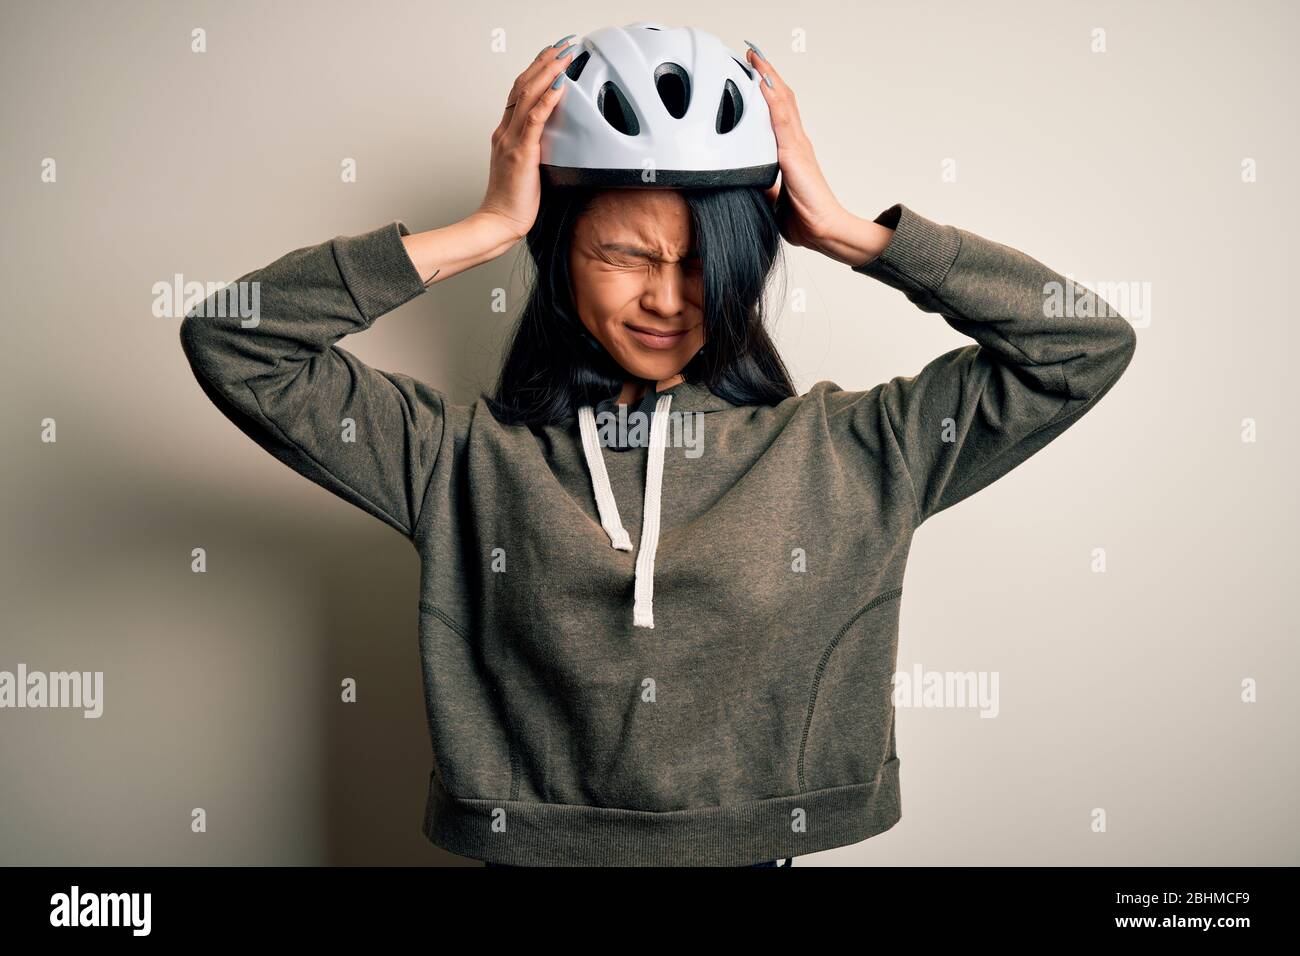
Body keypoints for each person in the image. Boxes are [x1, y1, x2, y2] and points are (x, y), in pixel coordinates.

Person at [178, 23, 1136, 868]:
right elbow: (236, 340)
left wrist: (853, 233)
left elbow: (1080, 346)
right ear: (559, 257)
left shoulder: (854, 450)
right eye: (625, 255)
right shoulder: (460, 458)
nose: (669, 300)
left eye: (700, 264)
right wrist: (488, 227)